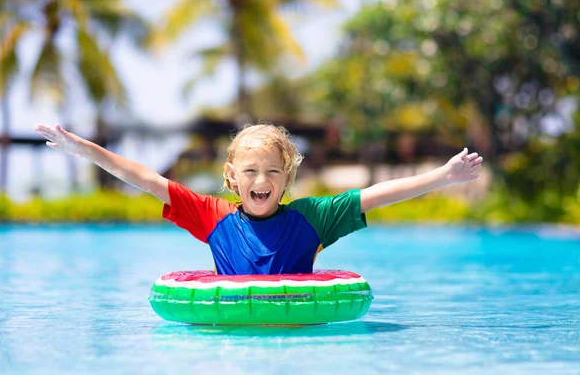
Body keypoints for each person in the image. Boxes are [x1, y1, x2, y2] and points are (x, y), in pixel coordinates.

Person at [34, 122, 483, 275]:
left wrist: (443, 176)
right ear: (232, 177)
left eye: (272, 172)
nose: (261, 180)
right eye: (250, 172)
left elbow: (373, 197)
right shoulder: (213, 217)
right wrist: (82, 149)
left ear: (286, 179)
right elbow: (147, 178)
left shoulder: (312, 218)